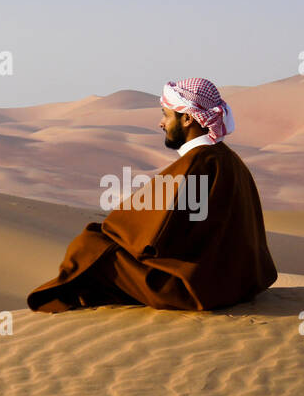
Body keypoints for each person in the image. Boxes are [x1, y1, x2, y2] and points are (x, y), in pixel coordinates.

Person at [27, 77, 277, 312]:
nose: (161, 123)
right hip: (238, 285)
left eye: (166, 116)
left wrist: (117, 229)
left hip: (197, 290)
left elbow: (152, 231)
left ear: (188, 119)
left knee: (90, 245)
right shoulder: (228, 158)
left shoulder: (198, 162)